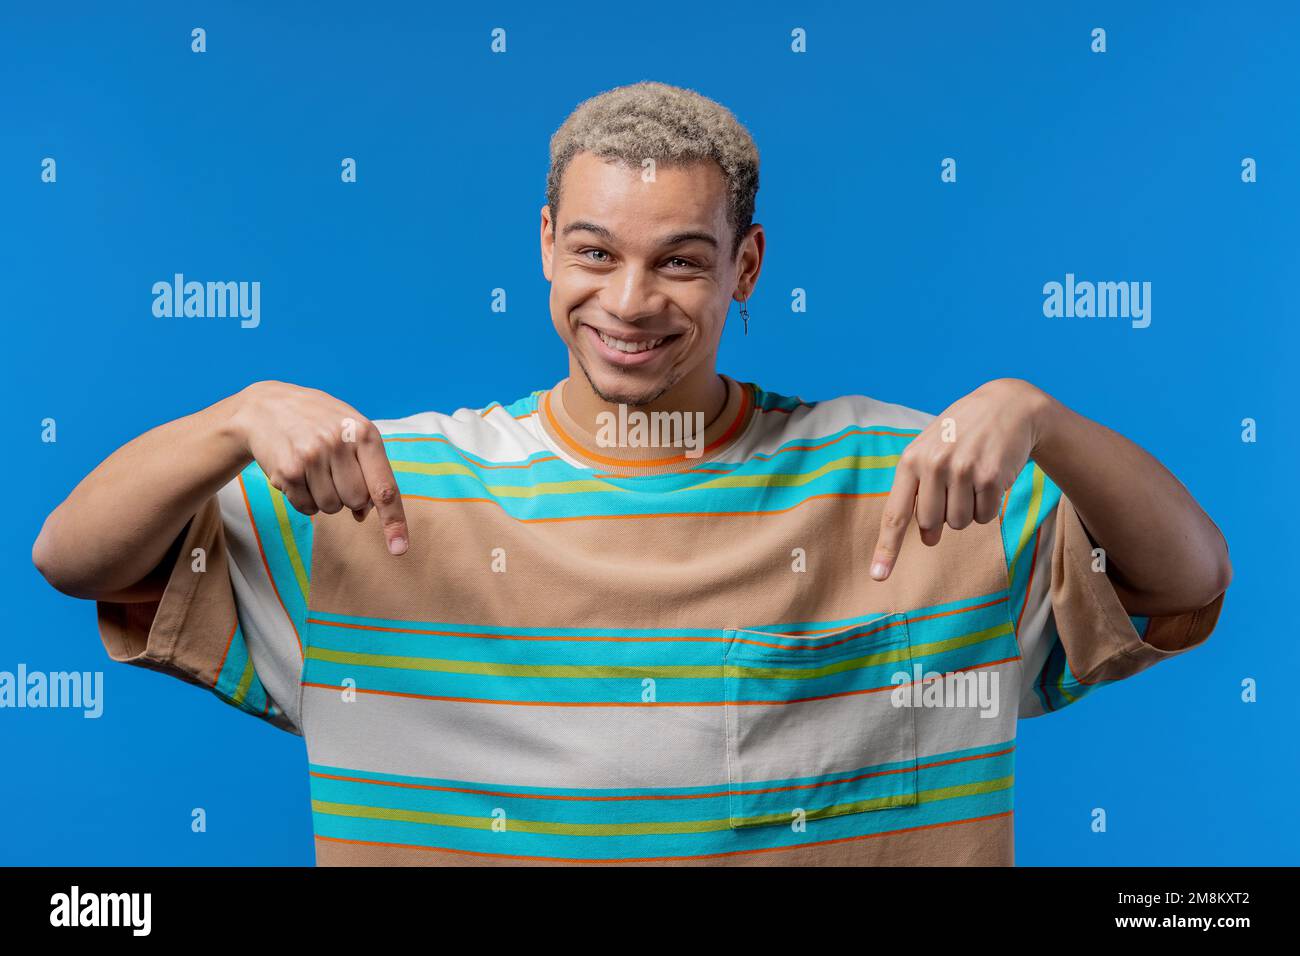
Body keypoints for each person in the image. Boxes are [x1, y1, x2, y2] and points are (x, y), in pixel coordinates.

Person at [32, 80, 1231, 866]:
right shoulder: (384, 487)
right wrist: (235, 416)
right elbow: (75, 558)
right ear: (545, 245)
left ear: (746, 267)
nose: (630, 302)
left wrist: (1044, 417)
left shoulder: (914, 481)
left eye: (682, 261)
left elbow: (1184, 581)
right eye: (594, 252)